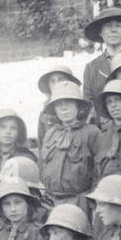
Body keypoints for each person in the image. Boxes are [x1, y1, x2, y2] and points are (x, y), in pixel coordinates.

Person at [39, 81, 100, 209]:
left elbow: (98, 170)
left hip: (80, 202)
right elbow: (43, 166)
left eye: (69, 103)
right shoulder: (51, 133)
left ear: (78, 106)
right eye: (59, 105)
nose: (64, 108)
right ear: (54, 109)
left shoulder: (91, 132)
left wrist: (92, 201)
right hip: (51, 203)